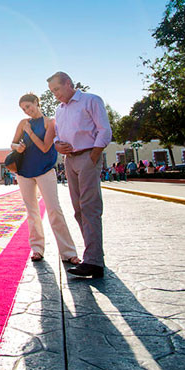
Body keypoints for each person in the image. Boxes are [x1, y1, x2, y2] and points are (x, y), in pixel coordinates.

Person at [48, 71, 112, 278]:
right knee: (78, 210)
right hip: (70, 159)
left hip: (87, 156)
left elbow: (104, 129)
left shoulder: (91, 100)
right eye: (52, 91)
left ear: (68, 84)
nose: (55, 94)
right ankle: (94, 256)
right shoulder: (59, 110)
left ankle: (93, 261)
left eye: (57, 89)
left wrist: (94, 154)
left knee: (90, 207)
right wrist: (58, 145)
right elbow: (58, 135)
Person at [11, 93, 80, 264]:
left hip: (45, 170)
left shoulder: (50, 122)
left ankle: (68, 252)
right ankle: (37, 249)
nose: (27, 111)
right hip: (24, 172)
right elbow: (12, 143)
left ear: (36, 102)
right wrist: (17, 147)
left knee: (54, 210)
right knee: (32, 212)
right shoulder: (22, 123)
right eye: (23, 109)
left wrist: (29, 132)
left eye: (28, 106)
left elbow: (44, 147)